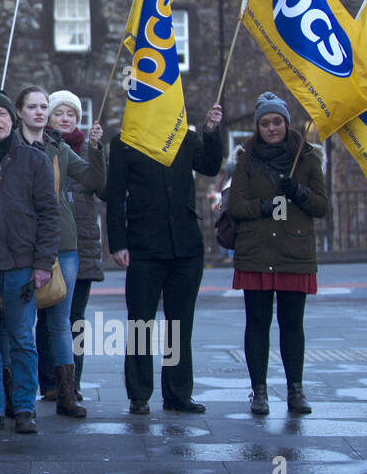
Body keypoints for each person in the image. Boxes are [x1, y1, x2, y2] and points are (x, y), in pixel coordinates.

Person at [107, 103, 224, 415]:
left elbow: (211, 166)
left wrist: (212, 132)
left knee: (179, 324)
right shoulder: (124, 143)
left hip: (185, 246)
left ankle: (177, 393)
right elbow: (115, 196)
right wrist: (118, 243)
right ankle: (140, 394)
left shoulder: (184, 138)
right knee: (141, 323)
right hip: (144, 245)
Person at [0, 92, 59, 435]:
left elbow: (49, 213)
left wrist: (43, 261)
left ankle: (23, 408)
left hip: (21, 264)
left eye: (2, 114)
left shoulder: (34, 160)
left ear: (12, 119)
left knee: (22, 340)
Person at [228, 92, 327, 415]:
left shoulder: (308, 157)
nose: (272, 128)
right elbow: (236, 206)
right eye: (265, 123)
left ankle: (295, 390)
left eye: (277, 122)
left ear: (287, 123)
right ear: (258, 127)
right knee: (257, 323)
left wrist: (298, 191)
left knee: (291, 323)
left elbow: (322, 206)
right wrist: (265, 206)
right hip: (256, 251)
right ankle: (259, 392)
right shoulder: (246, 158)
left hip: (293, 251)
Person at [17, 86, 105, 417]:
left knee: (60, 321)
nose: (40, 112)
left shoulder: (60, 148)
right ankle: (22, 398)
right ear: (21, 112)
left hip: (62, 245)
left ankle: (67, 393)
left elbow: (94, 178)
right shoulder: (11, 147)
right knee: (21, 322)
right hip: (21, 242)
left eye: (43, 107)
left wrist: (96, 147)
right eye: (34, 107)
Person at [45, 91, 108, 403]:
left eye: (71, 113)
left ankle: (73, 381)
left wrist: (98, 149)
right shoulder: (41, 148)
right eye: (60, 113)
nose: (66, 118)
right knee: (46, 317)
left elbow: (101, 183)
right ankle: (48, 381)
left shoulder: (83, 151)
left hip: (79, 246)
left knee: (74, 318)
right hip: (47, 244)